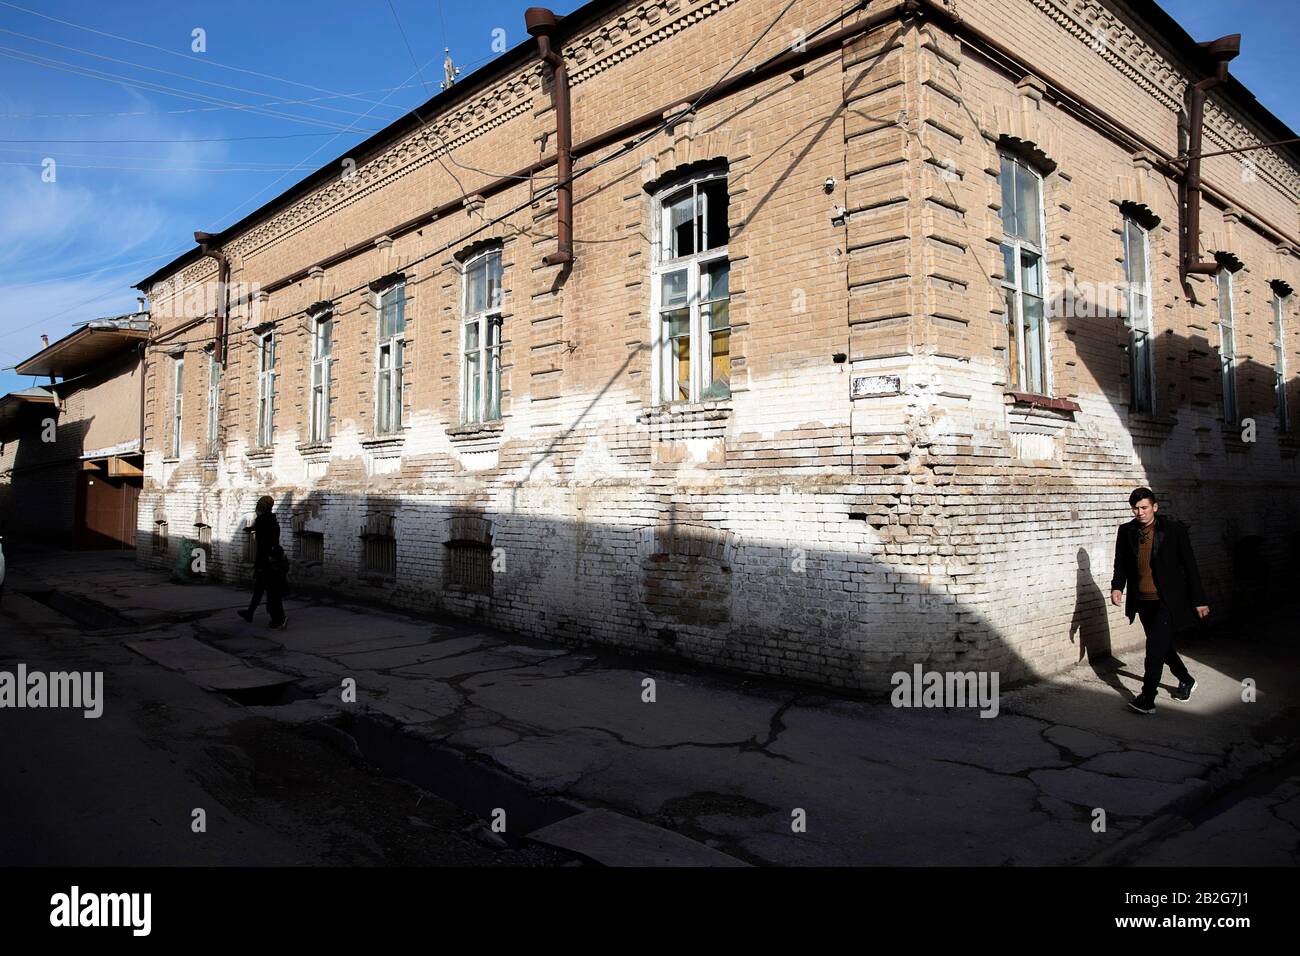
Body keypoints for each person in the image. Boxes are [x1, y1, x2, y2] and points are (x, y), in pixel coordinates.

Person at [1110, 487, 1209, 714]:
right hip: (1142, 600)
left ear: (1155, 507)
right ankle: (1186, 680)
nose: (1140, 512)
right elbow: (1121, 562)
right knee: (1162, 646)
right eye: (1135, 508)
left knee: (1154, 648)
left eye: (1144, 507)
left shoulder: (1173, 531)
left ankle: (1147, 698)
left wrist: (1199, 599)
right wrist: (1117, 586)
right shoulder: (1127, 531)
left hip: (1167, 600)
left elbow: (1190, 566)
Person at [238, 495, 288, 629]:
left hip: (267, 562)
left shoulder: (262, 522)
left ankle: (279, 619)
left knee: (272, 592)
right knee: (260, 588)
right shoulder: (272, 520)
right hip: (271, 560)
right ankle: (250, 613)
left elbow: (262, 546)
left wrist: (260, 565)